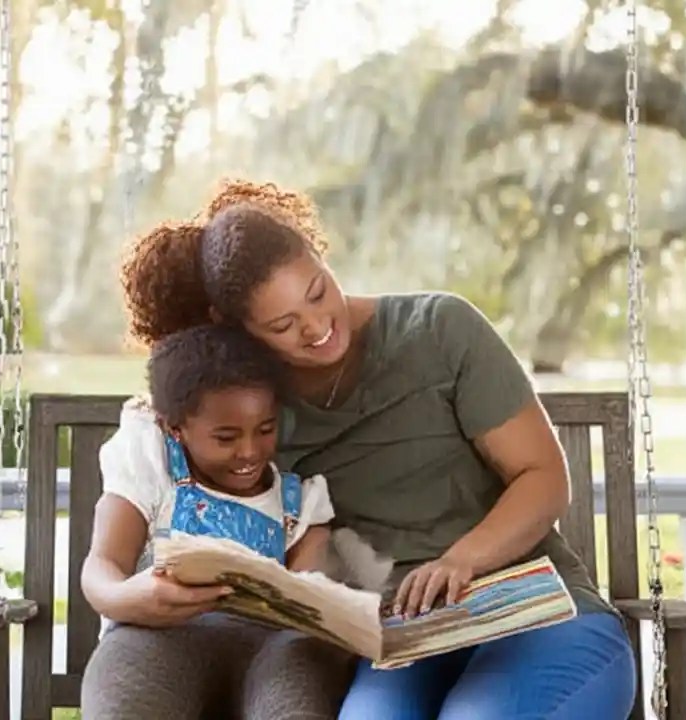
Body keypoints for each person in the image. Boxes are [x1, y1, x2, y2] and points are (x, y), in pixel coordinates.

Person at [112, 178, 638, 720]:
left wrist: (461, 560)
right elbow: (177, 445)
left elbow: (544, 476)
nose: (317, 327)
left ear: (320, 255)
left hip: (535, 613)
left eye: (318, 292)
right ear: (240, 330)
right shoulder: (259, 409)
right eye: (284, 325)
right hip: (404, 639)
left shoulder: (439, 330)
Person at [80, 323, 354, 719]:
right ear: (176, 429)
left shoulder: (301, 501)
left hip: (269, 647)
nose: (249, 452)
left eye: (266, 429)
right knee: (125, 693)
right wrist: (128, 599)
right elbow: (102, 564)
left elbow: (307, 599)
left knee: (296, 693)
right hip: (158, 632)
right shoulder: (153, 463)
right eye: (226, 438)